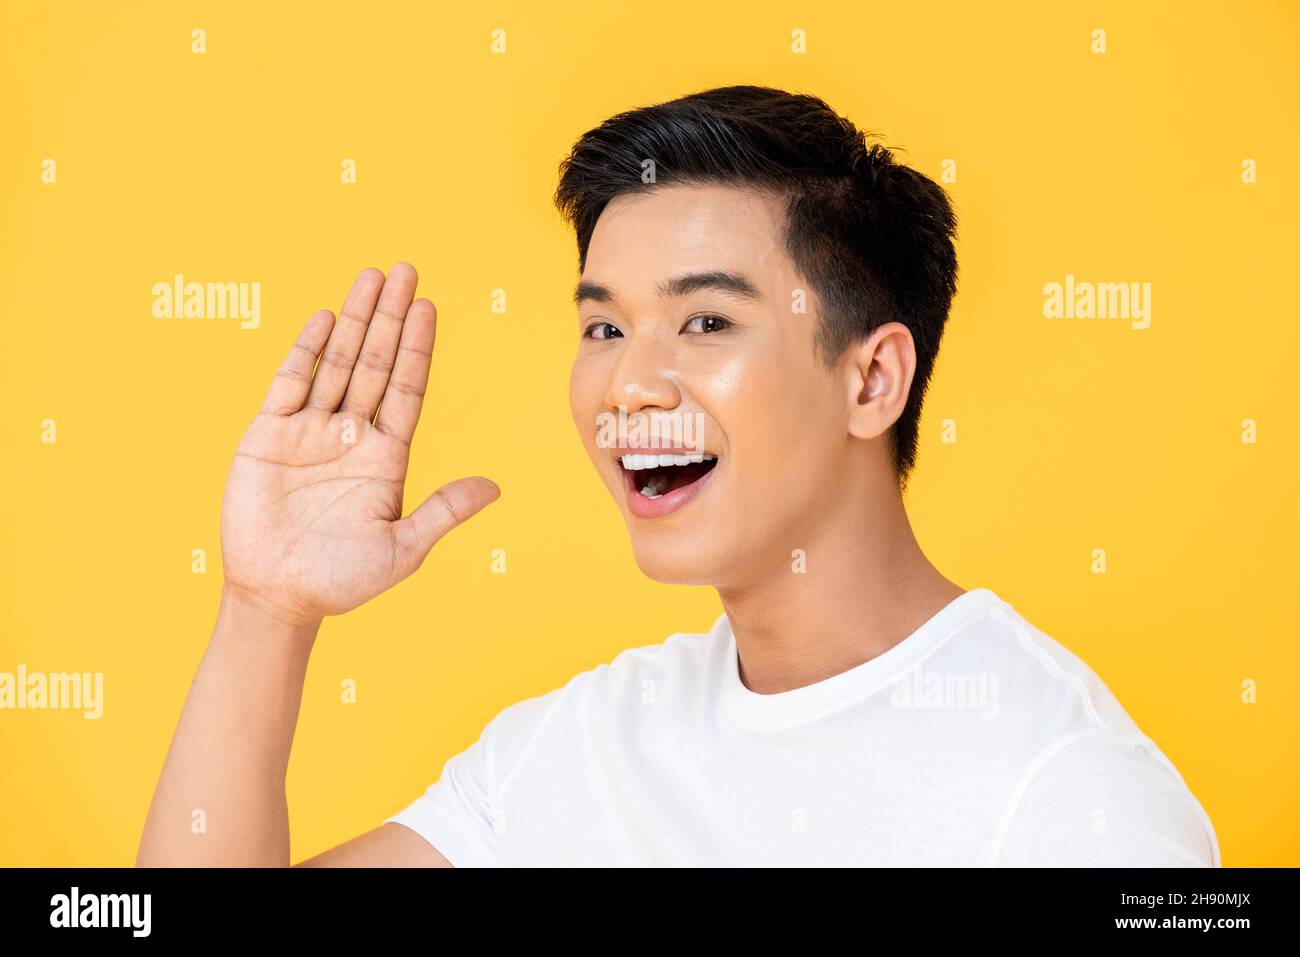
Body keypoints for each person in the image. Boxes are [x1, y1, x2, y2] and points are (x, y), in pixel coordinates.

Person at [137, 85, 1219, 867]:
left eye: (705, 320)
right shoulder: (579, 746)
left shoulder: (1066, 798)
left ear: (871, 379)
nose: (630, 386)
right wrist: (264, 610)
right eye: (604, 325)